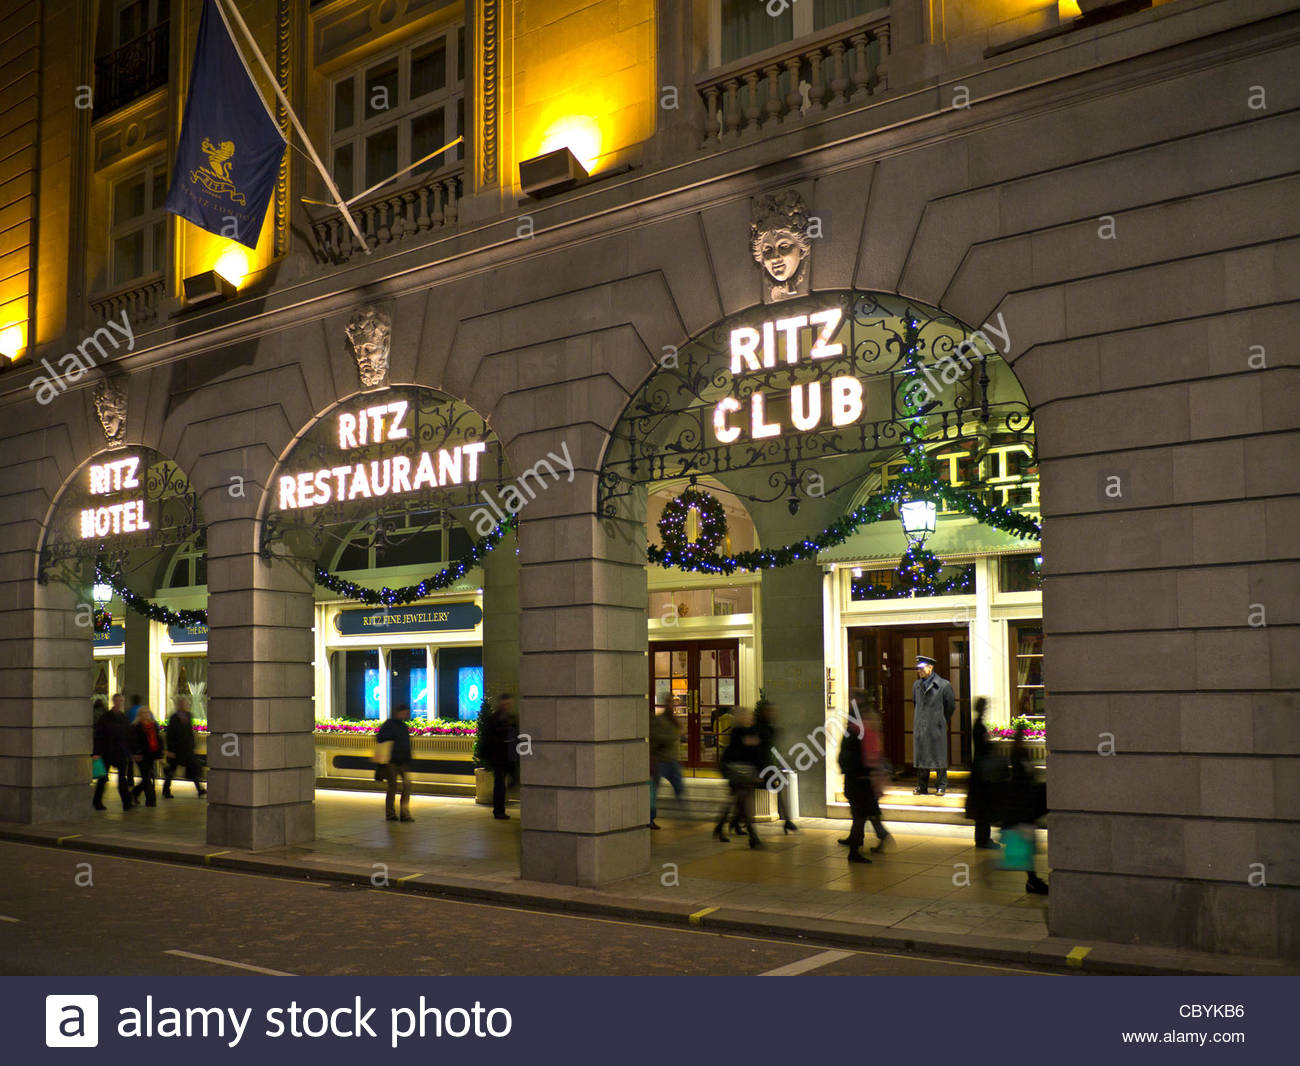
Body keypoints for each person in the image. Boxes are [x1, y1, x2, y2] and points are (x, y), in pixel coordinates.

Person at [837, 694, 892, 863]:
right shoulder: (860, 733)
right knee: (863, 815)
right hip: (861, 779)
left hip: (858, 779)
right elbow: (867, 758)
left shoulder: (856, 732)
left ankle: (857, 848)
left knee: (861, 816)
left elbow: (850, 758)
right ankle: (860, 847)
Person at [1002, 721, 1049, 894]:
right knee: (1027, 846)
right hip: (1023, 809)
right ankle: (1032, 880)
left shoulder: (1018, 756)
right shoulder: (1020, 757)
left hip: (1022, 809)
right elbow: (1026, 778)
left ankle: (1032, 879)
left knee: (1027, 846)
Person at [715, 708, 765, 848]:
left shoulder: (744, 732)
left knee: (737, 801)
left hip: (739, 771)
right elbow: (747, 752)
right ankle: (753, 836)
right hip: (738, 772)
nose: (750, 718)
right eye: (747, 715)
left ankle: (720, 827)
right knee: (742, 803)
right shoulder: (740, 732)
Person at [912, 654, 956, 795]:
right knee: (921, 755)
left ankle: (941, 785)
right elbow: (915, 703)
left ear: (930, 668)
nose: (919, 671)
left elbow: (950, 706)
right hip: (921, 725)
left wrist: (941, 720)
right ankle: (922, 785)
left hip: (936, 726)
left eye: (922, 668)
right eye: (918, 669)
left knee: (939, 755)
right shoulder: (917, 686)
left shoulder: (943, 685)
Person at [965, 697, 1003, 849]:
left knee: (982, 808)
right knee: (983, 807)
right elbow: (983, 747)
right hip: (982, 772)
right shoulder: (979, 726)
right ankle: (983, 839)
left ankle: (981, 838)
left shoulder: (977, 725)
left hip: (979, 770)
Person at [754, 698, 797, 833]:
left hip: (766, 765)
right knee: (741, 797)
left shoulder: (767, 727)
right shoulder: (760, 728)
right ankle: (787, 821)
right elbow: (759, 749)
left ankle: (787, 821)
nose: (773, 714)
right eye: (770, 711)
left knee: (778, 787)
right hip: (760, 766)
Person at [648, 697, 685, 829]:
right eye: (670, 703)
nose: (672, 705)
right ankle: (650, 818)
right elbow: (659, 738)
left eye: (673, 703)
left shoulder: (672, 720)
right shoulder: (661, 720)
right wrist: (676, 735)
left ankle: (684, 814)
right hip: (661, 760)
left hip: (672, 759)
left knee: (679, 787)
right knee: (654, 790)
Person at [92, 695, 134, 811]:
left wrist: (129, 751)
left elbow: (128, 736)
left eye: (121, 701)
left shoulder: (124, 718)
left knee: (122, 779)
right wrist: (97, 752)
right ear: (113, 702)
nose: (119, 703)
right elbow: (99, 735)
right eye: (117, 701)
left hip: (121, 752)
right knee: (103, 778)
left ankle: (126, 802)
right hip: (107, 752)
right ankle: (97, 801)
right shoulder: (105, 718)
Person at [483, 693, 518, 820]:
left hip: (509, 755)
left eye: (509, 704)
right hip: (499, 756)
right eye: (505, 703)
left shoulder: (511, 718)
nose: (507, 706)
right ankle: (498, 810)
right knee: (500, 783)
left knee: (511, 780)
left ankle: (499, 808)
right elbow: (489, 738)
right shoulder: (494, 719)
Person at [162, 696, 205, 799]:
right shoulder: (174, 718)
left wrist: (193, 745)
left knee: (192, 770)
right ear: (178, 705)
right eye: (182, 704)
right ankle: (166, 790)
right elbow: (170, 735)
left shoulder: (189, 715)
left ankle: (199, 789)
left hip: (187, 750)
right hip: (176, 750)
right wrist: (170, 750)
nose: (184, 706)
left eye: (185, 704)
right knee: (172, 771)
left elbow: (190, 733)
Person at [377, 704, 414, 822]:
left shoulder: (403, 726)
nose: (406, 715)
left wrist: (408, 759)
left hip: (402, 761)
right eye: (404, 712)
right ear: (398, 712)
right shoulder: (389, 725)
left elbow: (406, 745)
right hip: (391, 761)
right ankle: (390, 813)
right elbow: (380, 738)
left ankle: (404, 813)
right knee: (393, 787)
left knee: (407, 786)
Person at [130, 705, 164, 807]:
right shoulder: (136, 727)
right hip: (140, 755)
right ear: (139, 715)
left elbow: (158, 739)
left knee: (147, 777)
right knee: (146, 777)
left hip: (151, 754)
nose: (146, 714)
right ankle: (151, 800)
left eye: (148, 712)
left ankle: (134, 794)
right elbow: (133, 742)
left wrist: (160, 753)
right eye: (144, 713)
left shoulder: (154, 725)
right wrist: (136, 753)